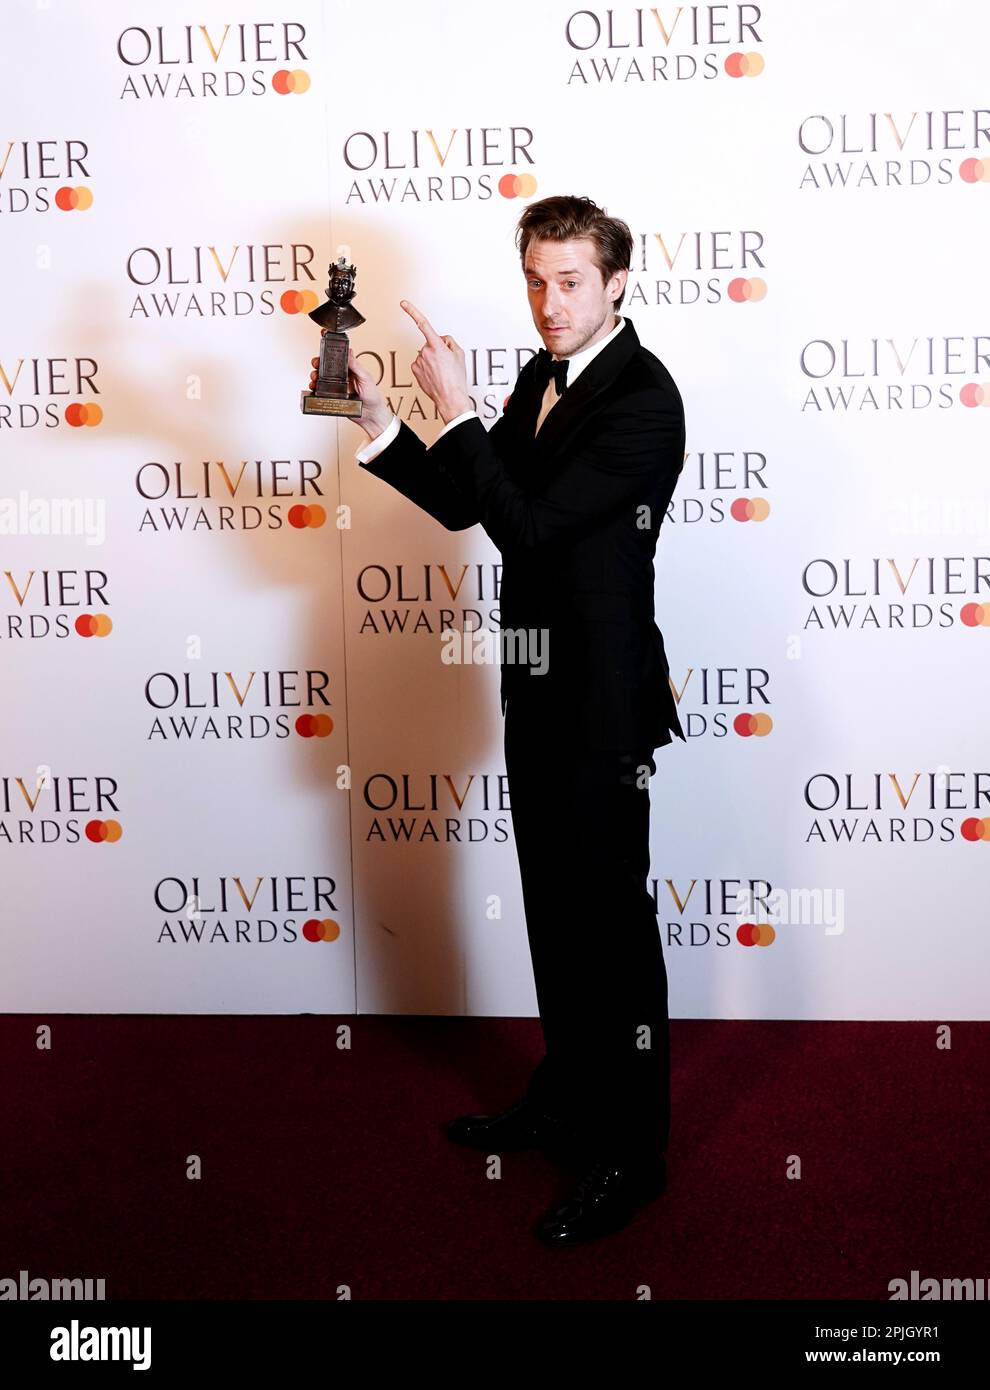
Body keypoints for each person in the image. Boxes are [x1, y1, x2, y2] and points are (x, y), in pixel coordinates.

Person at [313, 194, 686, 1245]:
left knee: (612, 939)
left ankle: (633, 1155)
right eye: (535, 279)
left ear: (617, 282)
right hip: (532, 682)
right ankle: (567, 1098)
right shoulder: (538, 378)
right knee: (555, 918)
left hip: (604, 704)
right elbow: (465, 502)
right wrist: (385, 417)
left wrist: (463, 410)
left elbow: (526, 530)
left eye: (570, 282)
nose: (549, 302)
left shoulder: (645, 403)